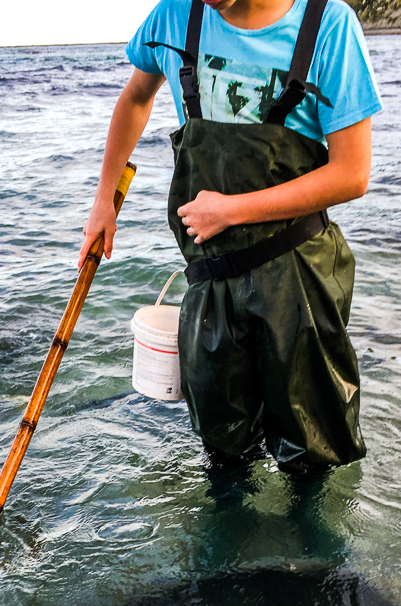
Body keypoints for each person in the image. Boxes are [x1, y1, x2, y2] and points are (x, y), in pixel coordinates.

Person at [79, 0, 382, 472]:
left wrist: (231, 210)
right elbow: (137, 97)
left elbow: (352, 174)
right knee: (223, 456)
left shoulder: (328, 25)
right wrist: (104, 199)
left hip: (299, 275)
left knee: (314, 458)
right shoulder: (174, 16)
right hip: (211, 278)